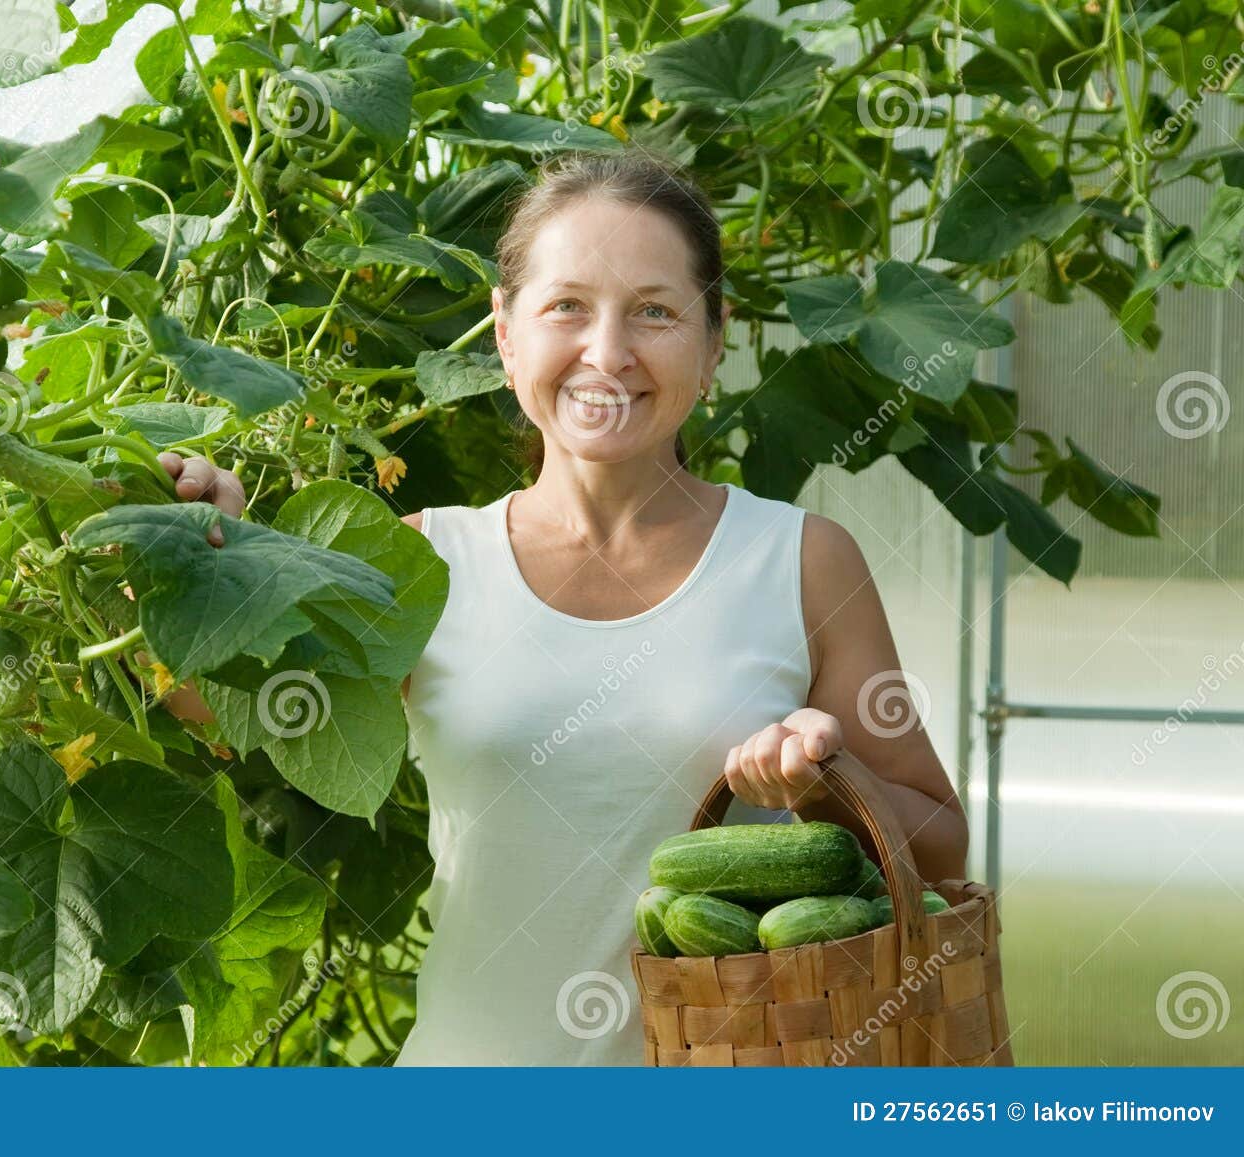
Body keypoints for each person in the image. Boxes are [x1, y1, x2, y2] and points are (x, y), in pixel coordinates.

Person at [154, 149, 968, 1065]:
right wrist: (202, 554)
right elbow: (220, 707)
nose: (609, 351)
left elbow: (940, 850)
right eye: (567, 306)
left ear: (713, 342)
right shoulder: (418, 559)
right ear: (505, 335)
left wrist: (823, 782)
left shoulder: (804, 560)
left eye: (655, 311)